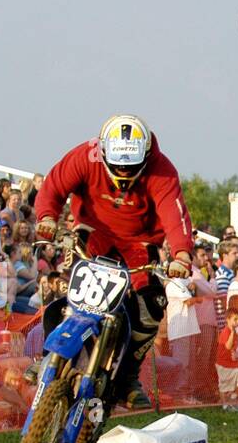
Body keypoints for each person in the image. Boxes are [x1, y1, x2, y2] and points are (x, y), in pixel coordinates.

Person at [33, 115, 195, 415]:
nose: (123, 171)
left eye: (130, 166)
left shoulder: (162, 171)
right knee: (72, 299)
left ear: (145, 156)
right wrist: (46, 217)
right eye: (118, 164)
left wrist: (182, 254)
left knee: (151, 306)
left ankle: (127, 379)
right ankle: (48, 357)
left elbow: (176, 216)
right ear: (104, 152)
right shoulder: (85, 156)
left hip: (140, 243)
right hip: (92, 235)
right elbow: (53, 187)